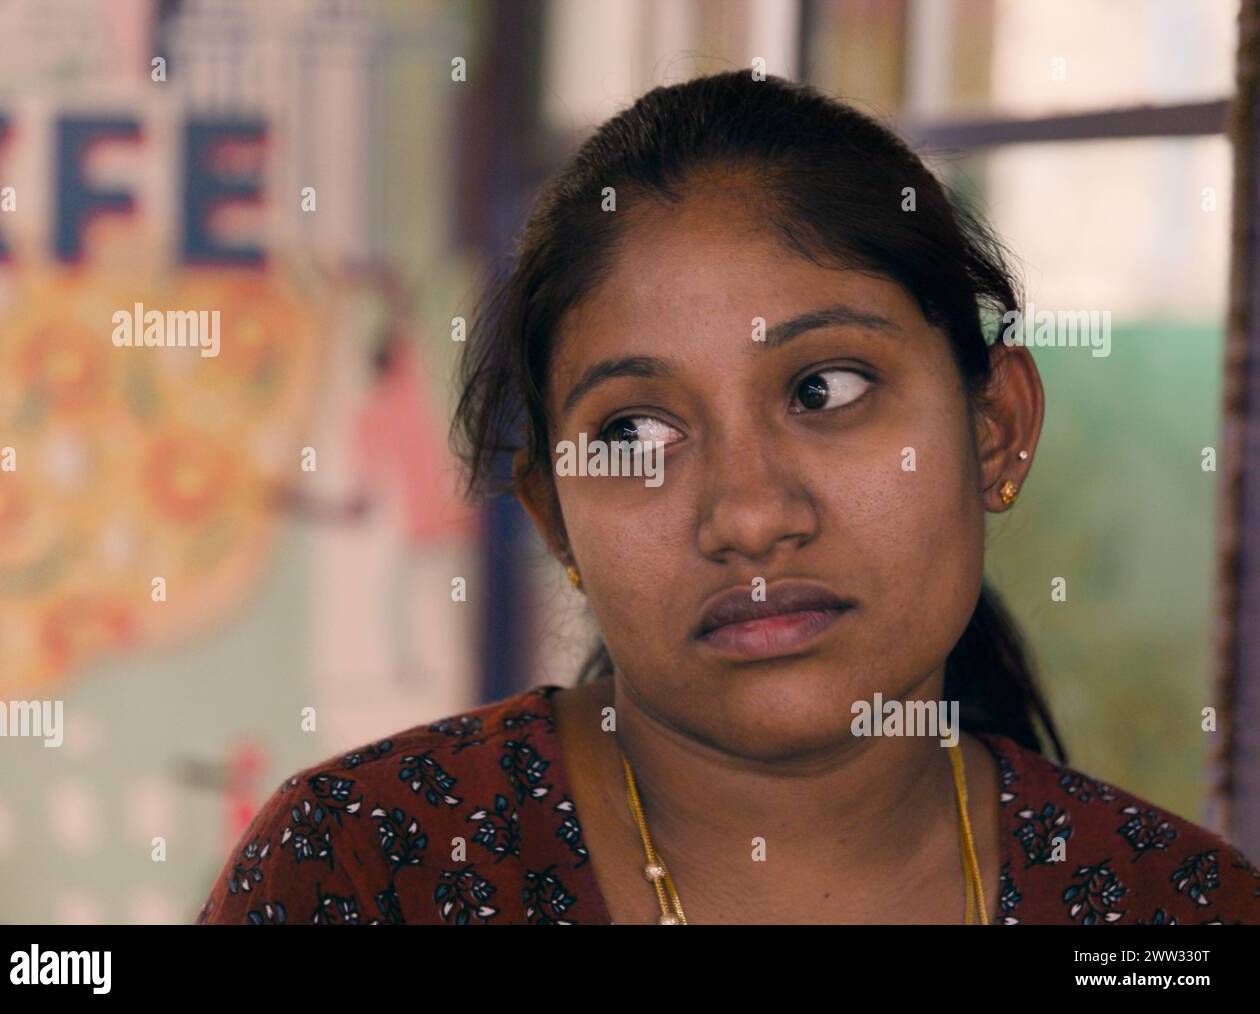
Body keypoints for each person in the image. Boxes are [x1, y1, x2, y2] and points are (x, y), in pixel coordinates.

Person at [196, 71, 1260, 925]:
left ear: (996, 430)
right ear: (554, 516)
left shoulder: (1169, 911)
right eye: (635, 432)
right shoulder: (367, 871)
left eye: (825, 389)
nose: (749, 516)